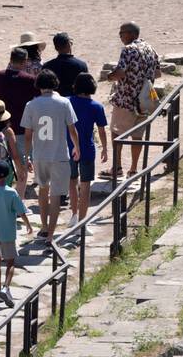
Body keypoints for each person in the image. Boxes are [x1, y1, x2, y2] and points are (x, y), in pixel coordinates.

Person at [20, 70, 80, 242]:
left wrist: (27, 156)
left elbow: (28, 134)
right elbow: (72, 129)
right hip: (59, 154)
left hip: (40, 154)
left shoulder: (31, 105)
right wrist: (77, 147)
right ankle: (51, 234)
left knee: (43, 190)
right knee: (56, 195)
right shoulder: (63, 102)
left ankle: (44, 227)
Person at [106, 23, 161, 178]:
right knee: (137, 135)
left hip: (126, 100)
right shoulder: (150, 48)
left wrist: (110, 76)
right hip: (144, 100)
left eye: (121, 33)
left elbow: (120, 73)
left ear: (130, 34)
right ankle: (133, 169)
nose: (120, 36)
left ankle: (116, 167)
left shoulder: (128, 50)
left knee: (117, 133)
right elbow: (157, 73)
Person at [67, 72, 108, 228]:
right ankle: (82, 221)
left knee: (72, 182)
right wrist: (105, 148)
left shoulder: (67, 102)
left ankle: (74, 214)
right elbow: (102, 130)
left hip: (69, 148)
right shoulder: (96, 107)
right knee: (85, 184)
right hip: (87, 150)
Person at [0, 160, 32, 306]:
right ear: (8, 176)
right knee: (11, 261)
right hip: (8, 231)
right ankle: (6, 288)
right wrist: (28, 225)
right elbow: (21, 211)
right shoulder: (11, 192)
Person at [0, 45, 39, 137]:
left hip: (1, 130)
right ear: (25, 61)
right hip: (23, 130)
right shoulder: (30, 80)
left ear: (10, 60)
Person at [42, 32, 88, 98]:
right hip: (75, 104)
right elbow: (85, 89)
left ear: (55, 48)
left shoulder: (47, 67)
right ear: (69, 45)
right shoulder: (81, 65)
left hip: (55, 103)